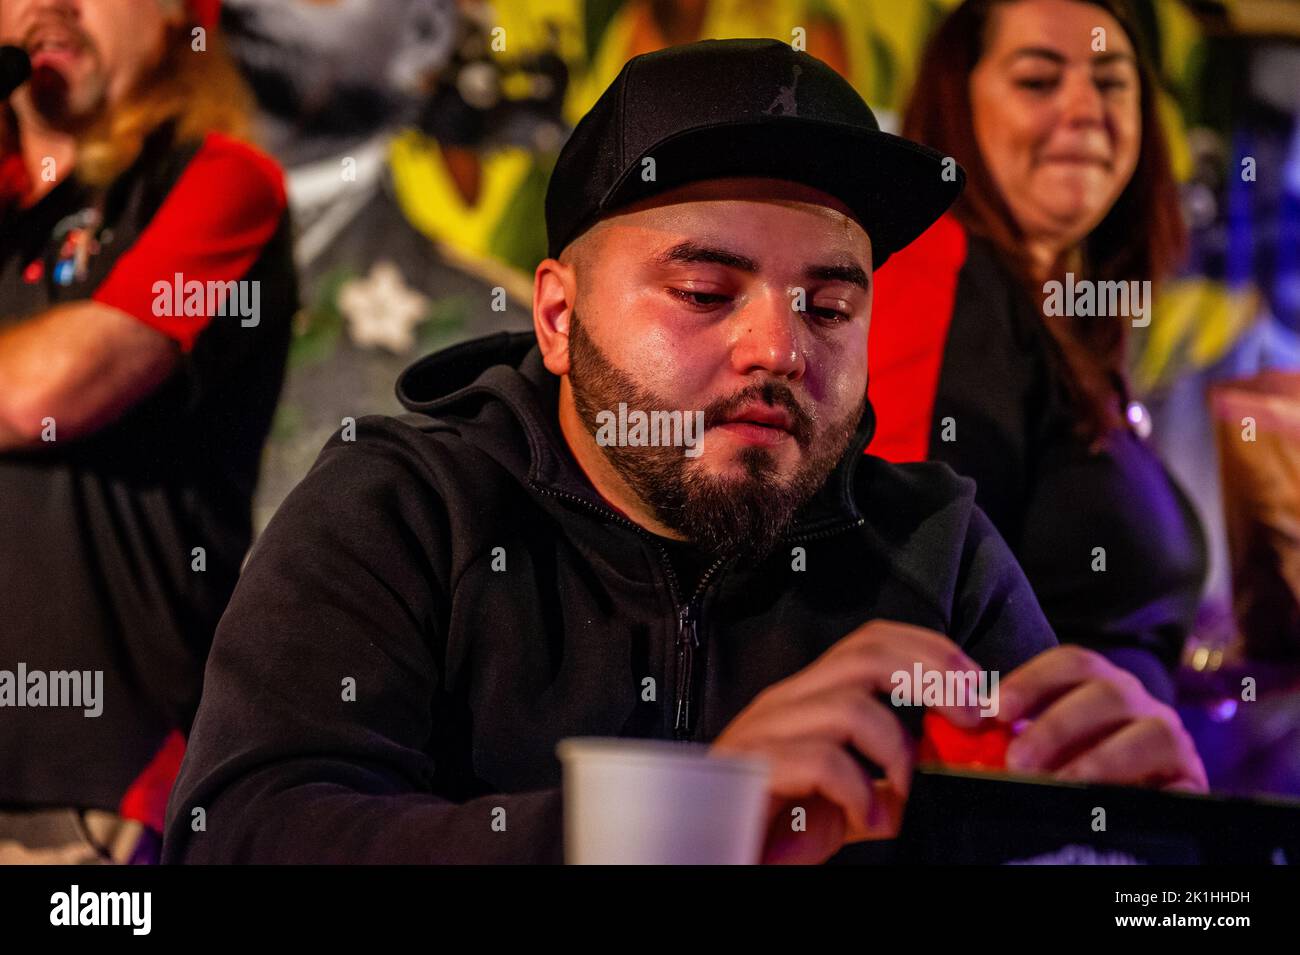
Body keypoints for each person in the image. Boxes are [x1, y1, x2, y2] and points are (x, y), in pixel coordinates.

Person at [163, 38, 1204, 866]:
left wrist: (1158, 857)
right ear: (560, 318)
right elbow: (244, 836)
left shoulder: (934, 548)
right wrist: (671, 825)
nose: (779, 348)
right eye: (705, 293)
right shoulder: (404, 505)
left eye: (832, 305)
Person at [0, 0, 295, 862]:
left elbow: (53, 387)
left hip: (84, 793)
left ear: (179, 16)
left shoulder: (219, 180)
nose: (46, 4)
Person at [867, 0, 1206, 704]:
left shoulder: (1073, 328)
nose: (1085, 108)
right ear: (957, 107)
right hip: (1003, 807)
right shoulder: (937, 265)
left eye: (1112, 82)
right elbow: (893, 604)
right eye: (1038, 81)